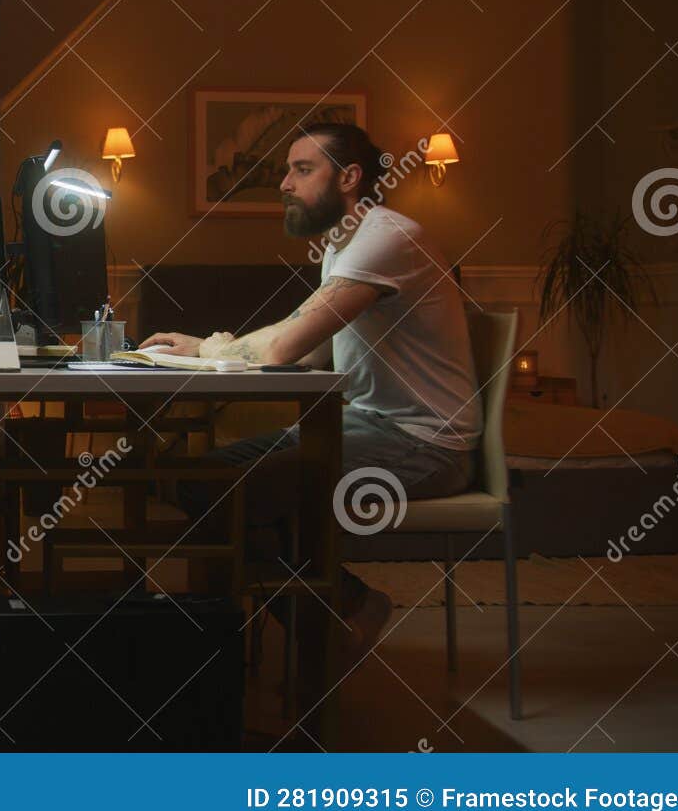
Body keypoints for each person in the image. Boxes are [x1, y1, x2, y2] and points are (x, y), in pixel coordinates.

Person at [141, 122, 480, 654]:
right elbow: (308, 347)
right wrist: (209, 348)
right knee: (199, 477)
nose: (284, 184)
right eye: (286, 172)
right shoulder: (343, 246)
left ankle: (295, 636)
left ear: (349, 177)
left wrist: (209, 349)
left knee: (225, 491)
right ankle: (322, 619)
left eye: (302, 170)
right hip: (365, 426)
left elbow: (283, 349)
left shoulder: (386, 238)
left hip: (424, 443)